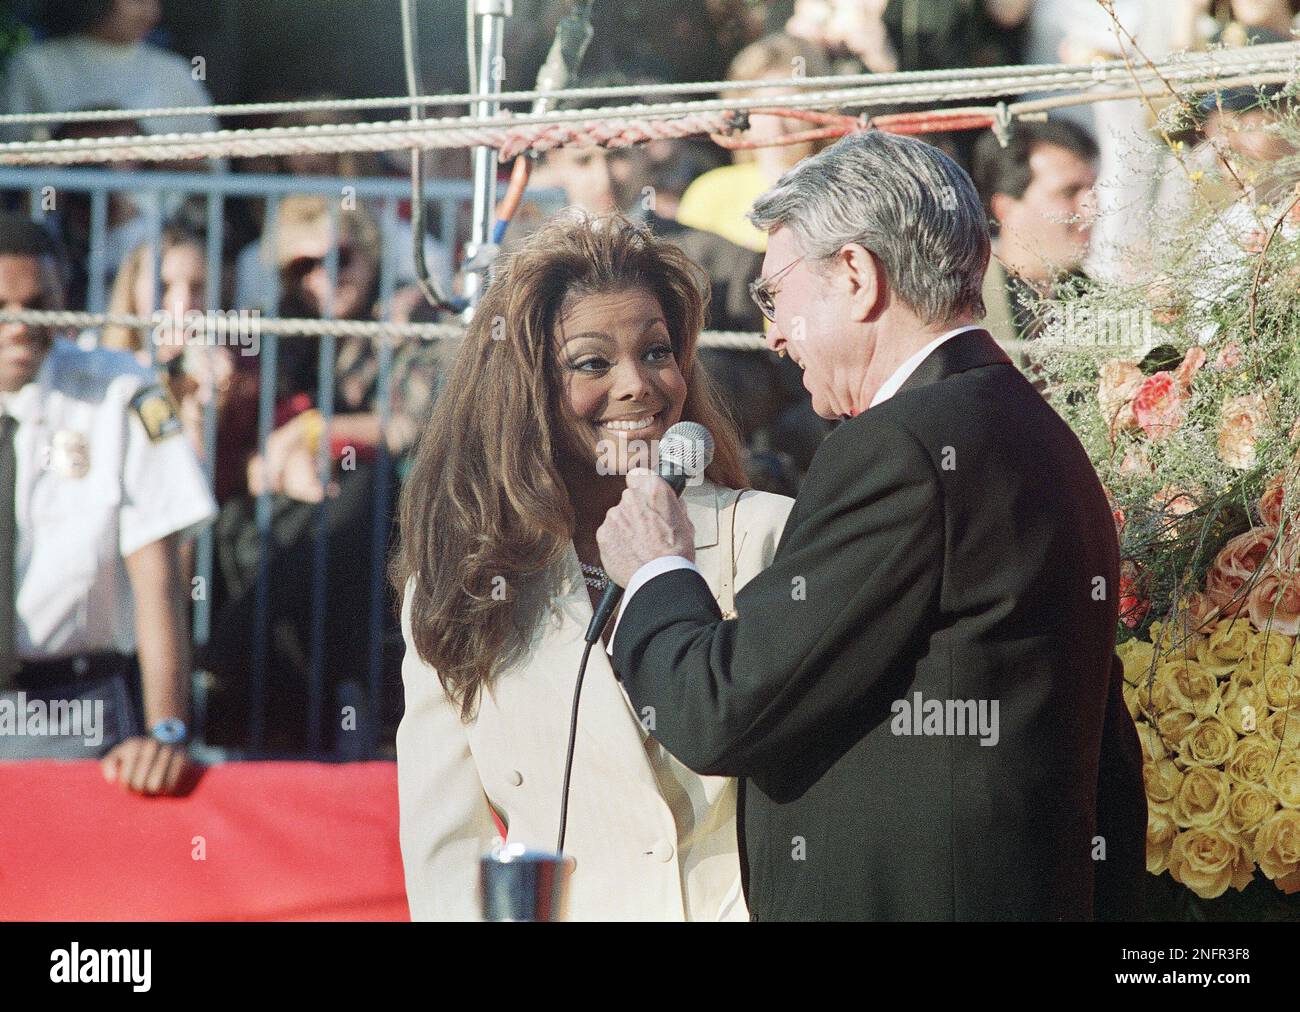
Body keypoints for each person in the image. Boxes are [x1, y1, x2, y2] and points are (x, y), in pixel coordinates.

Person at [596, 131, 1147, 921]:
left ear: (856, 276)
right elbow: (1109, 758)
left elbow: (722, 706)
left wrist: (655, 570)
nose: (773, 334)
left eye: (774, 294)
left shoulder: (900, 447)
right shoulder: (1029, 425)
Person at [392, 212, 796, 920]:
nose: (638, 385)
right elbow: (445, 852)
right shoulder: (459, 585)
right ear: (525, 390)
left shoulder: (763, 536)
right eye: (592, 362)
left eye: (658, 352)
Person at [0, 213, 216, 793]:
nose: (20, 324)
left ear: (63, 297)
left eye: (38, 303)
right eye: (2, 305)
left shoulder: (121, 394)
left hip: (76, 715)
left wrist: (166, 731)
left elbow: (159, 577)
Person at [970, 119, 1098, 371]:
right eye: (1068, 192)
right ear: (1005, 208)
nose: (1092, 209)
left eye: (1092, 189)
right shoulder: (959, 312)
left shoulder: (1110, 306)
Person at [1, 0, 219, 141]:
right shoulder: (32, 64)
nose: (151, 12)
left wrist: (147, 163)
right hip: (54, 214)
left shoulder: (174, 72)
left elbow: (212, 170)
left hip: (157, 215)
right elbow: (12, 158)